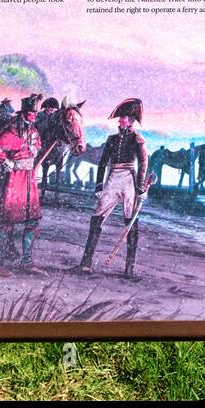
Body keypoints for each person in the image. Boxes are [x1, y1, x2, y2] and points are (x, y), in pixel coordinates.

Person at [75, 98, 149, 280]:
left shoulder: (138, 140)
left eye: (123, 118)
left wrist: (140, 186)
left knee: (130, 222)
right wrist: (99, 185)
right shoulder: (112, 139)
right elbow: (102, 163)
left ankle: (129, 269)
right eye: (120, 118)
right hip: (113, 178)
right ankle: (86, 263)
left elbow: (143, 163)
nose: (120, 121)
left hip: (129, 181)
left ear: (131, 120)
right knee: (97, 218)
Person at [0, 94, 45, 276]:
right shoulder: (12, 130)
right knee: (6, 223)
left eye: (35, 113)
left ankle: (26, 262)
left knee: (32, 221)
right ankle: (0, 263)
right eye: (30, 112)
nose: (33, 115)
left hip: (29, 179)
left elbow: (36, 149)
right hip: (14, 179)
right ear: (23, 113)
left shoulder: (34, 132)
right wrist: (6, 161)